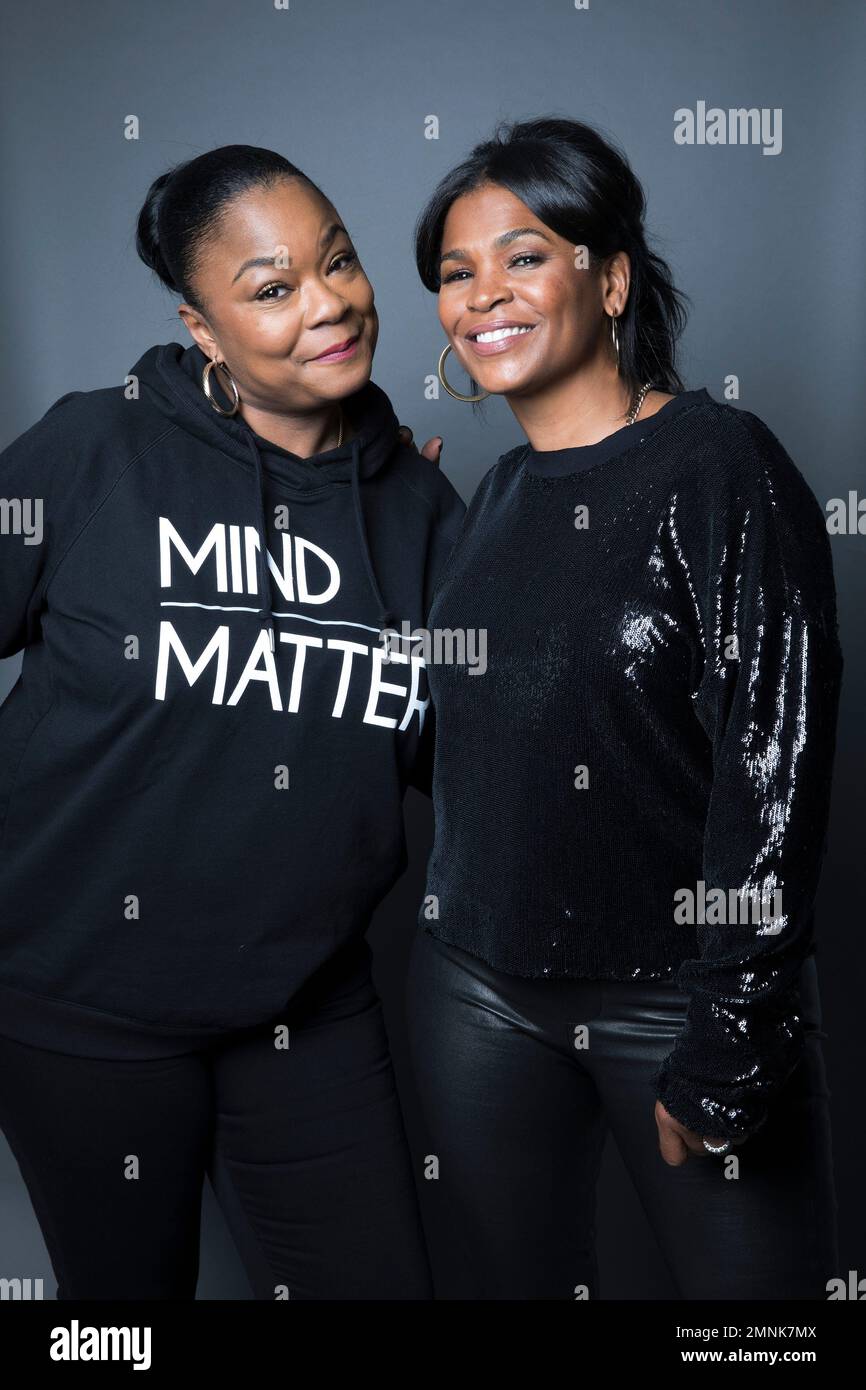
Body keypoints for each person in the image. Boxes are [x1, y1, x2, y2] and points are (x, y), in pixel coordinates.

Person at [0, 144, 465, 1300]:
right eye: (270, 289)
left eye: (340, 262)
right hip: (78, 1009)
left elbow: (458, 763)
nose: (330, 305)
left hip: (305, 1010)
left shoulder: (419, 508)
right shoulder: (91, 448)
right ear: (200, 328)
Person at [405, 116, 844, 1300]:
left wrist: (732, 1037)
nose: (481, 293)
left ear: (607, 279)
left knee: (758, 1331)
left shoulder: (718, 462)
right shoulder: (488, 499)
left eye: (522, 255)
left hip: (673, 998)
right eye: (454, 273)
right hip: (477, 994)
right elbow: (472, 742)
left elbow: (775, 757)